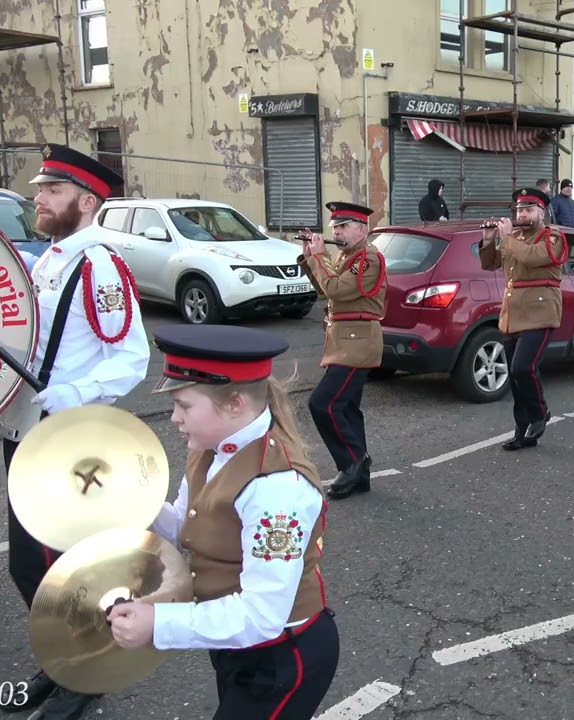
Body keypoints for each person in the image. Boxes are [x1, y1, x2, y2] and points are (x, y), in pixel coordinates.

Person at [107, 324, 338, 720]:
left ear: (234, 403)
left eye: (184, 405)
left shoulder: (276, 490)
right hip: (238, 647)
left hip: (282, 656)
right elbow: (188, 526)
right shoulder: (211, 447)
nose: (174, 418)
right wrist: (132, 504)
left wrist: (157, 621)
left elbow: (261, 617)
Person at [0, 143, 150, 719]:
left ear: (86, 201)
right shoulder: (54, 257)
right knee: (28, 566)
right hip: (29, 430)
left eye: (51, 191)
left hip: (66, 440)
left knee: (60, 569)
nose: (38, 198)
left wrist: (73, 394)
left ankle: (86, 674)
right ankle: (61, 659)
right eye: (41, 189)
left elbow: (131, 356)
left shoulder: (99, 264)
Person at [299, 202, 387, 500]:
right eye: (335, 226)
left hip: (358, 341)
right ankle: (359, 476)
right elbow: (325, 290)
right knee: (347, 407)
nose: (336, 231)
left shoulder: (368, 259)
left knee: (323, 403)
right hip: (345, 339)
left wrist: (320, 257)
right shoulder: (346, 256)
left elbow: (338, 290)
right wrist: (311, 258)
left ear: (362, 230)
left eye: (344, 226)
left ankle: (352, 462)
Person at [479, 188, 569, 451]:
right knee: (516, 379)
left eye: (528, 209)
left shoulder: (552, 236)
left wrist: (506, 237)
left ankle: (540, 413)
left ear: (541, 213)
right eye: (519, 210)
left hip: (540, 311)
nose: (522, 214)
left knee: (523, 368)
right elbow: (490, 264)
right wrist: (487, 240)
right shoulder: (514, 237)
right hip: (513, 313)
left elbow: (533, 257)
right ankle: (522, 430)